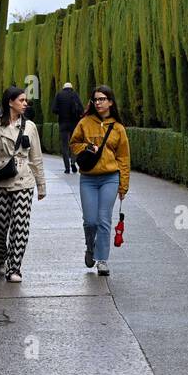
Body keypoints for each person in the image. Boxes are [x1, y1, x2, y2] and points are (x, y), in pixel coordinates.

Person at [0, 86, 46, 283]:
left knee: (21, 225)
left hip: (24, 181)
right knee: (0, 227)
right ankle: (0, 257)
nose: (25, 104)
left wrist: (41, 186)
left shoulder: (30, 127)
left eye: (26, 100)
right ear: (10, 102)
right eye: (22, 100)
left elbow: (36, 159)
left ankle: (14, 268)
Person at [68, 85, 129, 277]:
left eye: (102, 99)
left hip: (110, 178)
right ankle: (90, 247)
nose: (98, 102)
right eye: (96, 99)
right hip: (88, 179)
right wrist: (87, 147)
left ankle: (102, 260)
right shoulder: (85, 123)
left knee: (104, 220)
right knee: (90, 221)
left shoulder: (118, 128)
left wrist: (123, 185)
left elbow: (124, 158)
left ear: (110, 102)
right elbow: (74, 143)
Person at [51, 82, 85, 174]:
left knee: (65, 146)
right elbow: (82, 109)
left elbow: (54, 109)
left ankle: (67, 168)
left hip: (63, 123)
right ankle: (73, 162)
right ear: (71, 88)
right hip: (74, 124)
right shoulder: (75, 95)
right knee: (74, 143)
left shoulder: (59, 95)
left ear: (63, 88)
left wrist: (61, 112)